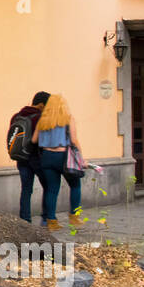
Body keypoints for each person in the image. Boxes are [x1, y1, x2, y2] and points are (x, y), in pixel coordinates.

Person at [32, 94, 83, 230]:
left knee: (52, 189)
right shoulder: (68, 119)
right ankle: (74, 216)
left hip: (47, 156)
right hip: (63, 156)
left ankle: (51, 221)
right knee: (75, 185)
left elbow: (34, 140)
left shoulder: (43, 120)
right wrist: (81, 158)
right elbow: (74, 140)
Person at [7, 91, 50, 224]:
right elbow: (42, 140)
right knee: (48, 186)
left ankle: (25, 220)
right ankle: (45, 218)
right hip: (37, 158)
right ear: (42, 105)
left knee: (26, 189)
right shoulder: (39, 118)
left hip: (21, 157)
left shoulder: (17, 116)